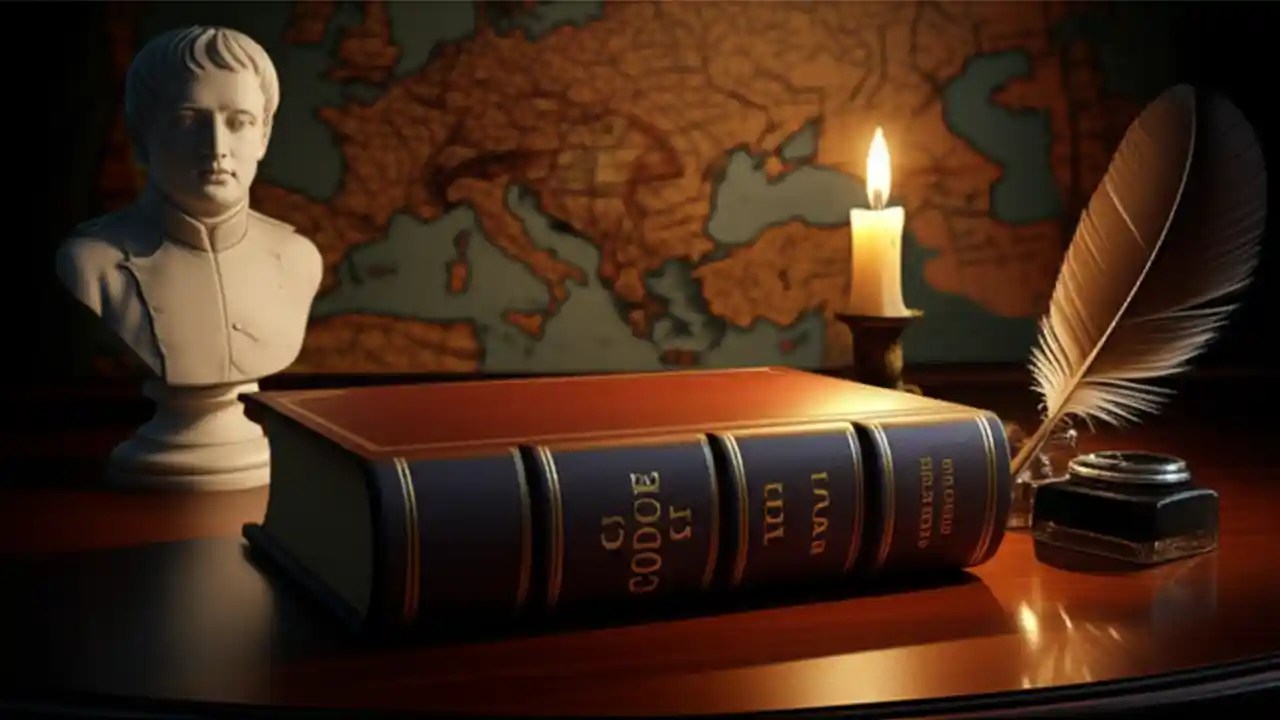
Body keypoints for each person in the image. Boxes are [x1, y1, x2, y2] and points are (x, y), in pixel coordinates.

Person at [56, 25, 322, 387]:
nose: (216, 146)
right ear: (142, 136)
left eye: (239, 122)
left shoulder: (298, 258)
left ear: (263, 136)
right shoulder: (92, 264)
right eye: (187, 120)